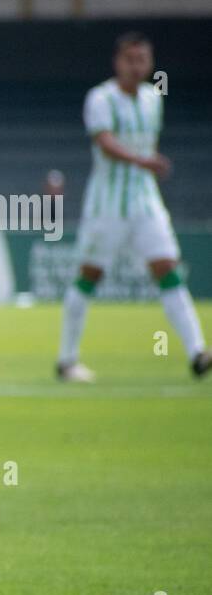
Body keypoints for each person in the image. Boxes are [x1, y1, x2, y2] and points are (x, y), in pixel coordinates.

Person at [57, 32, 210, 382]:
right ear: (118, 62)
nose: (136, 66)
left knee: (168, 268)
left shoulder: (154, 98)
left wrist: (145, 166)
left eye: (143, 59)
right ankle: (67, 360)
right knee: (89, 276)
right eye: (130, 59)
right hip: (107, 206)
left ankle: (197, 352)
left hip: (145, 203)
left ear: (150, 64)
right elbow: (105, 143)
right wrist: (144, 161)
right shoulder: (100, 98)